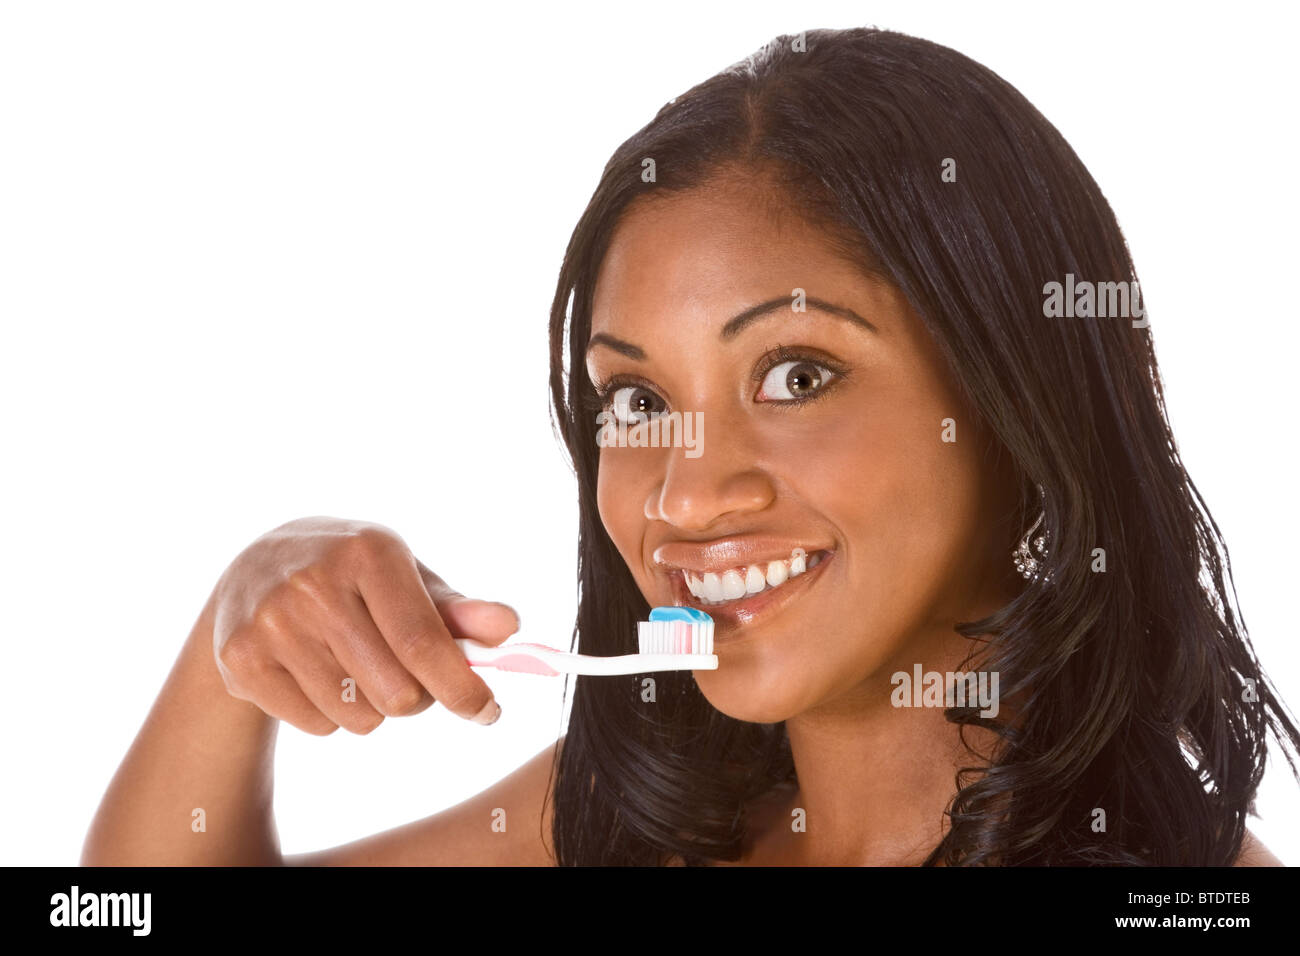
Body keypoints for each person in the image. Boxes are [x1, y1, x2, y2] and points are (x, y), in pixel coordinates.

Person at [83, 26, 1295, 866]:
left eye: (797, 373)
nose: (685, 492)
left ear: (1020, 407)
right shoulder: (620, 828)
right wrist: (232, 638)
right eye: (636, 399)